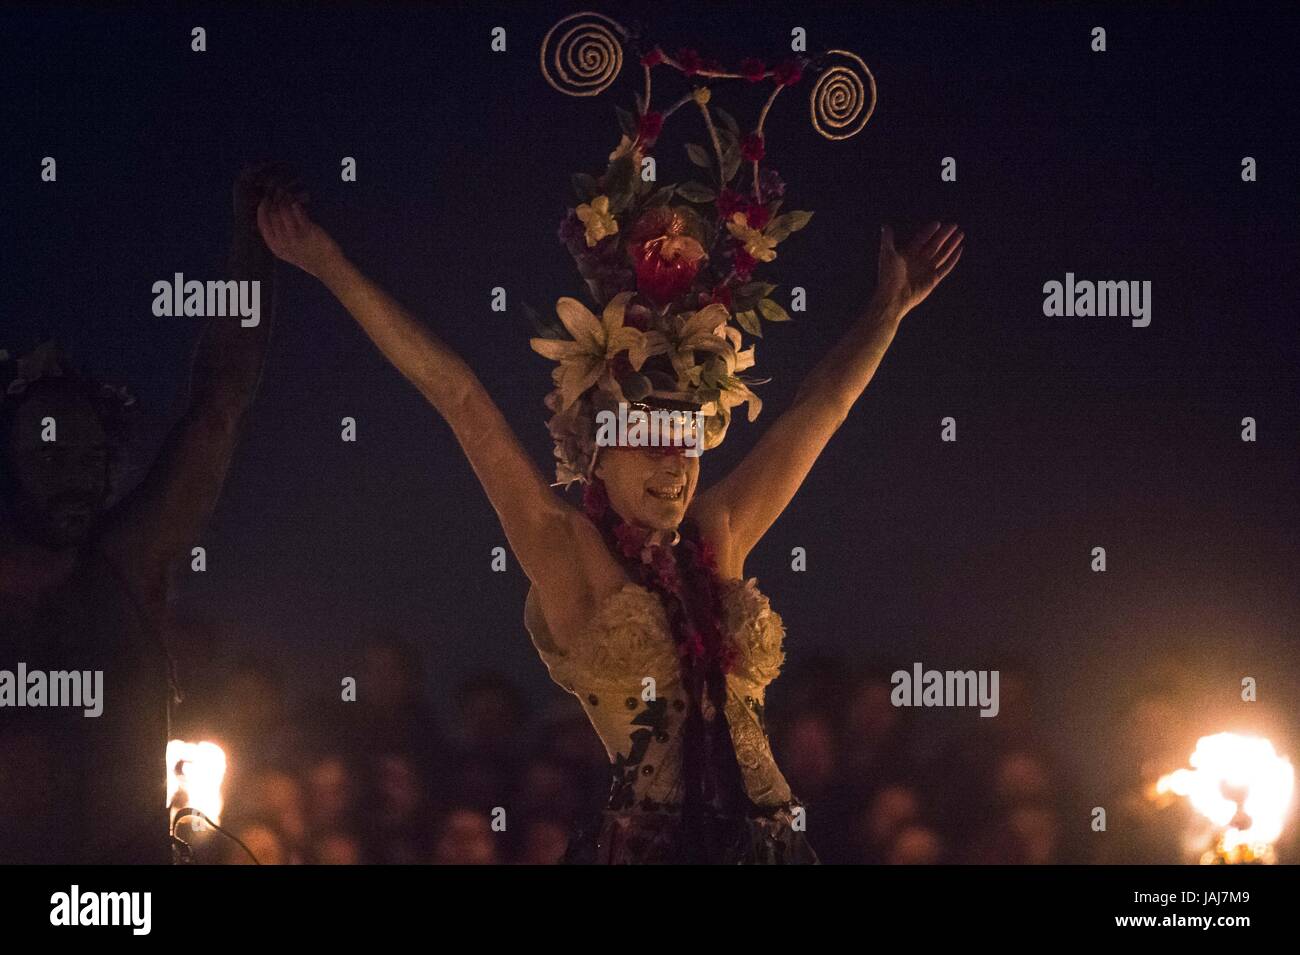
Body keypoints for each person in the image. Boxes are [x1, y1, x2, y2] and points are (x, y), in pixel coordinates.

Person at [257, 80, 962, 860]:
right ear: (599, 447)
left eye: (687, 440)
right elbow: (458, 395)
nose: (675, 465)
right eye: (650, 440)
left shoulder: (719, 532)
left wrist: (887, 312)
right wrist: (326, 263)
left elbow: (817, 410)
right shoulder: (566, 552)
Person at [0, 164, 297, 863]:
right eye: (47, 454)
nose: (72, 475)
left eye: (87, 457)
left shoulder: (127, 563)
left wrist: (251, 240)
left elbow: (220, 399)